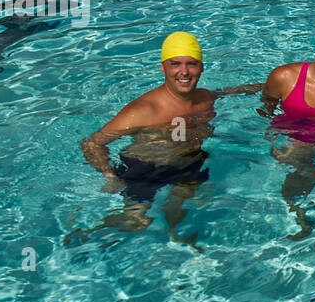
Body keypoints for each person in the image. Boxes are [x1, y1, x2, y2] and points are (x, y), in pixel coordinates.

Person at [76, 32, 215, 240]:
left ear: (202, 67)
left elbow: (224, 92)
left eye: (192, 64)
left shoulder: (205, 98)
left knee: (187, 209)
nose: (184, 72)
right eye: (175, 64)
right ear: (163, 68)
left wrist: (255, 89)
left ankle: (177, 244)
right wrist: (110, 176)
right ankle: (85, 235)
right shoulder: (143, 111)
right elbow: (92, 143)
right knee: (137, 222)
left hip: (189, 162)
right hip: (145, 170)